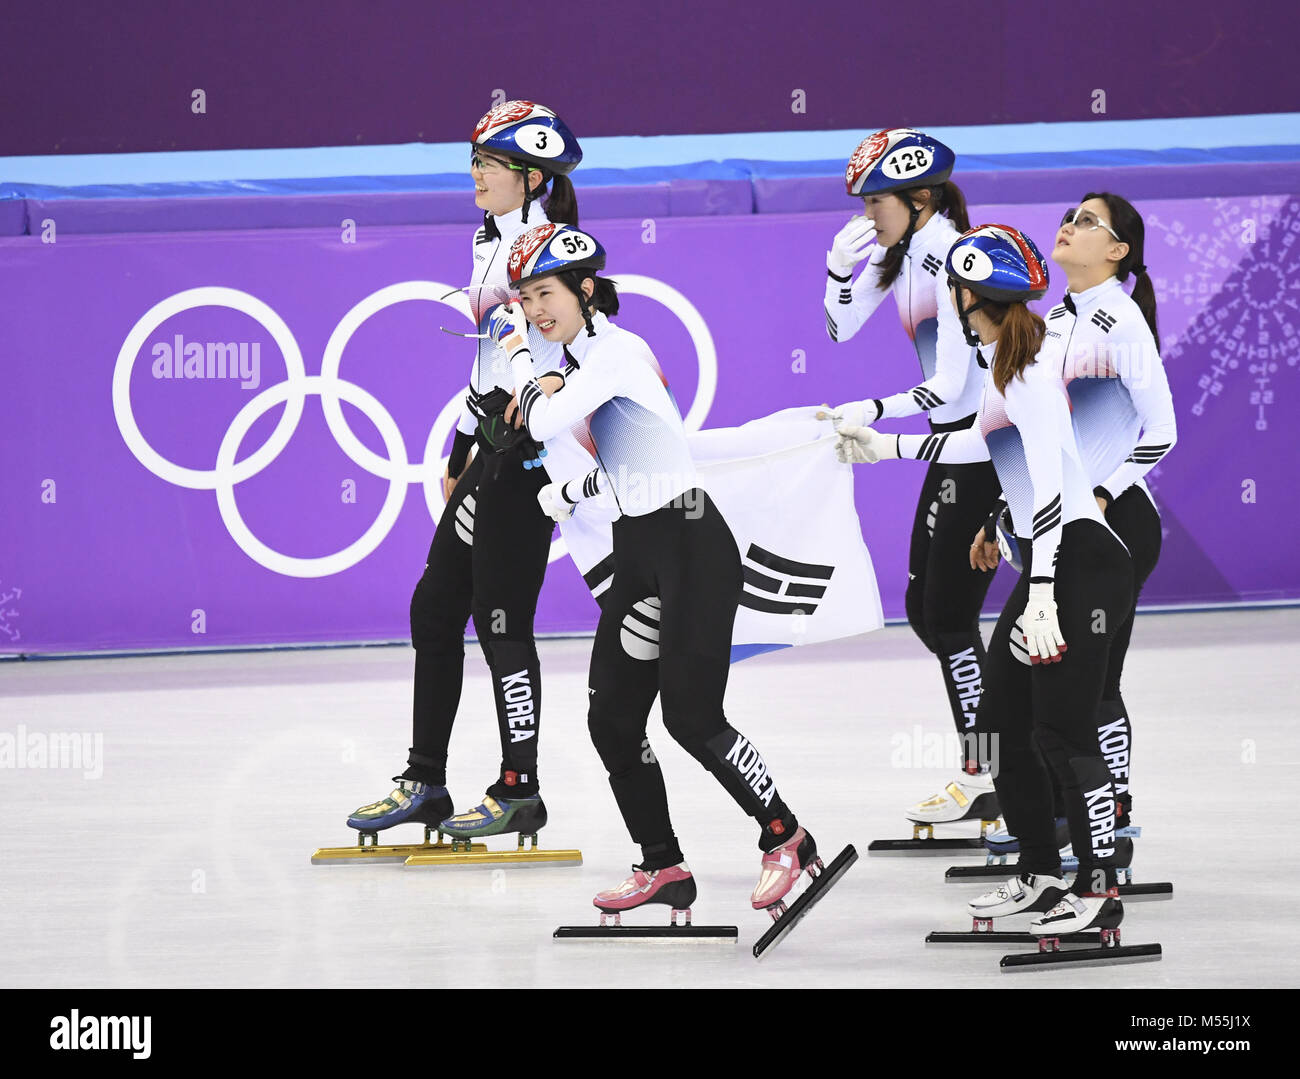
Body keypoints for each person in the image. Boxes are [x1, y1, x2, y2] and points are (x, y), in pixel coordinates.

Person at [490, 222, 831, 922]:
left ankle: (786, 834)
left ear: (586, 288)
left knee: (691, 717)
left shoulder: (618, 352)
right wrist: (577, 492)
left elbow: (545, 423)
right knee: (613, 719)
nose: (535, 309)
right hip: (640, 550)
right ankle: (662, 864)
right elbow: (636, 462)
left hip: (693, 550)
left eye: (546, 293)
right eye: (524, 298)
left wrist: (521, 357)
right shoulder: (586, 367)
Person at [834, 224, 1135, 935]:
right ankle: (1037, 871)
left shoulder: (1028, 374)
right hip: (1054, 567)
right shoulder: (1011, 363)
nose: (954, 308)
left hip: (1078, 569)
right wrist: (888, 445)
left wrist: (1039, 593)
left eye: (957, 297)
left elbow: (1058, 490)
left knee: (1063, 732)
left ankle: (1098, 888)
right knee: (1001, 724)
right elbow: (979, 441)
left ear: (974, 298)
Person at [346, 102, 583, 845]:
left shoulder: (548, 249)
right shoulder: (489, 241)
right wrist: (458, 446)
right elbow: (486, 357)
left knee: (502, 619)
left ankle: (521, 788)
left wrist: (538, 408)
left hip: (528, 455)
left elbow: (575, 341)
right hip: (488, 446)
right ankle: (425, 779)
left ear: (531, 176)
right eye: (474, 158)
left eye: (490, 162)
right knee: (436, 606)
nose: (475, 173)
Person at [974, 194, 1174, 852]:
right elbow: (1042, 443)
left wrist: (1107, 490)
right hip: (1063, 524)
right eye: (1069, 214)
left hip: (1115, 524)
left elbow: (1163, 430)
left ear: (1117, 251)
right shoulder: (1055, 319)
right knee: (1050, 684)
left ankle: (1107, 810)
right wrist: (998, 512)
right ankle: (1063, 815)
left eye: (1088, 221)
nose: (1069, 225)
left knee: (1093, 682)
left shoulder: (1120, 318)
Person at [822, 128, 1002, 826]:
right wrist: (840, 273)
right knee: (930, 609)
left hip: (980, 452)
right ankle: (998, 752)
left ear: (919, 197)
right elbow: (839, 329)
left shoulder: (955, 257)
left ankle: (986, 769)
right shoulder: (905, 255)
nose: (868, 216)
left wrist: (875, 411)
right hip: (952, 450)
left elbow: (955, 389)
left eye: (877, 202)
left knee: (950, 618)